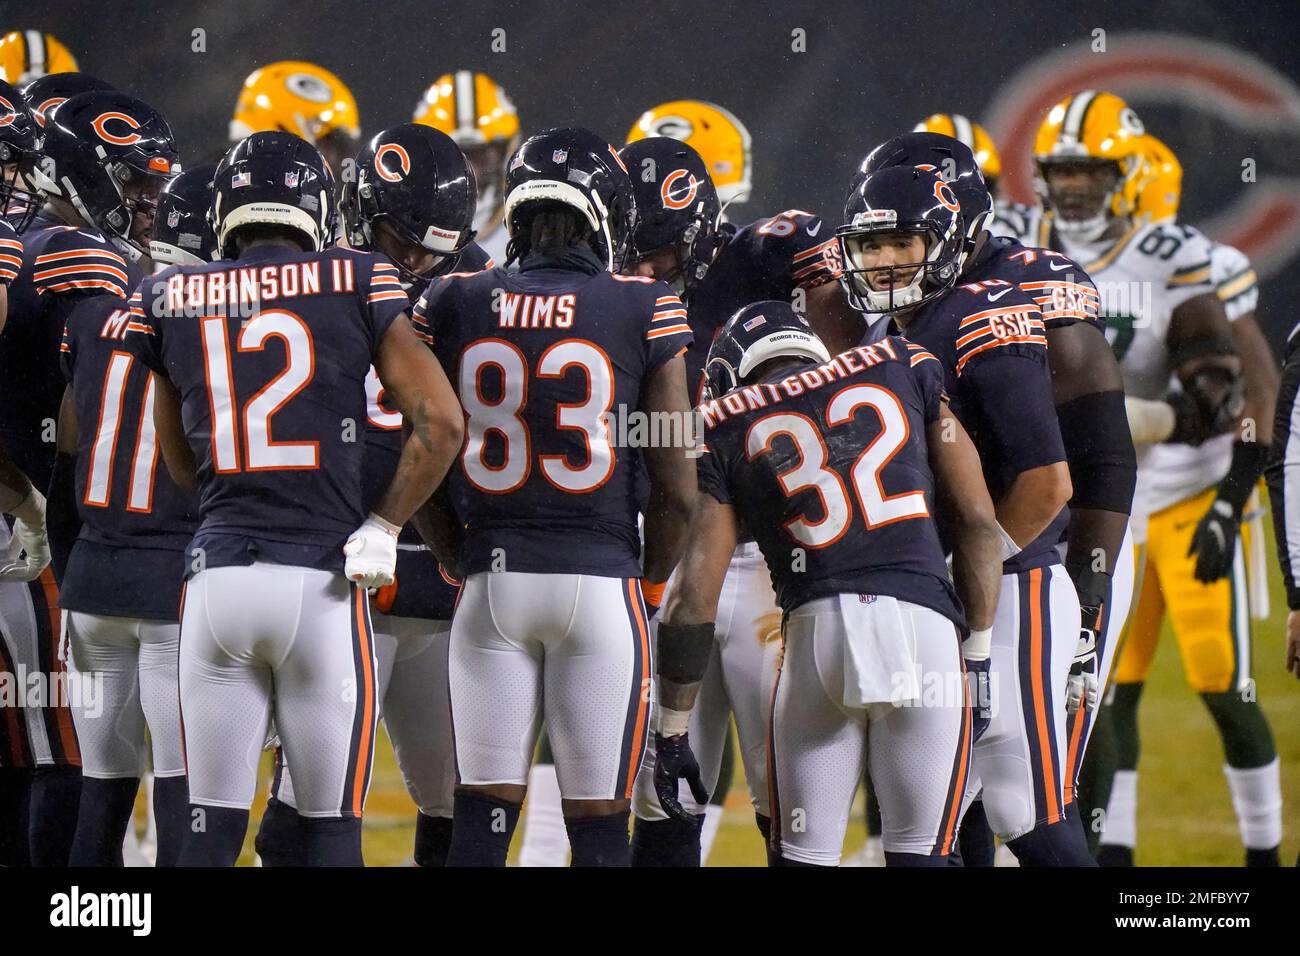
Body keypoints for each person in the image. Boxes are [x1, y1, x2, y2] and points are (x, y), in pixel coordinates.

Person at [133, 131, 464, 866]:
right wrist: (383, 523)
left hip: (216, 583)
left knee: (208, 830)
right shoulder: (354, 279)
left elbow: (180, 463)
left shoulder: (166, 295)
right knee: (328, 828)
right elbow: (441, 422)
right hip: (321, 585)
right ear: (317, 207)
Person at [412, 127, 697, 867]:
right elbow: (676, 490)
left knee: (481, 819)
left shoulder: (453, 297)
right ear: (605, 211)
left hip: (492, 586)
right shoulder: (644, 304)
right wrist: (654, 580)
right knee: (600, 825)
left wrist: (456, 558)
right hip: (600, 587)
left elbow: (421, 452)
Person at [655, 300, 1004, 865]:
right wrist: (981, 656)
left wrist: (672, 727)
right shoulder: (901, 361)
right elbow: (980, 523)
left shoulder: (722, 423)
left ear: (727, 377)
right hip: (926, 632)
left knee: (802, 857)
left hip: (817, 639)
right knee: (923, 854)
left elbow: (694, 598)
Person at [255, 122, 491, 868]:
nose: (418, 259)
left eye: (433, 247)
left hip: (432, 571)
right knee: (311, 795)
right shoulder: (321, 273)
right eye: (403, 238)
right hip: (336, 572)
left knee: (456, 793)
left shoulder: (470, 281)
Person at [839, 164, 1087, 864]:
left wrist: (963, 574)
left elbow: (1047, 480)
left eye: (902, 243)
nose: (884, 261)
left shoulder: (981, 313)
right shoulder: (886, 331)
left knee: (1023, 801)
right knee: (940, 800)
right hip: (940, 594)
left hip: (1013, 586)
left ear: (946, 242)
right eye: (870, 245)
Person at [2, 88, 176, 866]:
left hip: (39, 522)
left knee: (38, 748)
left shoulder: (26, 242)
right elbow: (93, 406)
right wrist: (36, 503)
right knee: (66, 754)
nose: (151, 200)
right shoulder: (78, 253)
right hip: (52, 529)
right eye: (136, 182)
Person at [51, 165, 215, 866]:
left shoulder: (93, 311)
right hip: (170, 580)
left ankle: (91, 919)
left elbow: (68, 437)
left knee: (103, 788)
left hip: (92, 576)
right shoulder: (213, 320)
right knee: (184, 784)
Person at [412, 71, 521, 266]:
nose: (470, 171)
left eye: (480, 155)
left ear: (505, 151)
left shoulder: (528, 227)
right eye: (453, 155)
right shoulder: (397, 232)